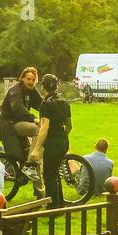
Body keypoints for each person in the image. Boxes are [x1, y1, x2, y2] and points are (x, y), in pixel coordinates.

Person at [28, 73, 72, 207]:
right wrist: (62, 135)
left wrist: (36, 149)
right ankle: (60, 203)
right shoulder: (64, 103)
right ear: (57, 86)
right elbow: (69, 125)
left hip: (52, 143)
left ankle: (52, 207)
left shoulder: (46, 104)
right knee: (55, 173)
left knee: (49, 176)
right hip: (63, 141)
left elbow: (44, 127)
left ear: (43, 87)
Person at [0, 66, 43, 163]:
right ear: (22, 78)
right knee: (38, 130)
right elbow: (18, 108)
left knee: (26, 151)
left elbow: (42, 105)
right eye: (28, 79)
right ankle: (31, 165)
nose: (31, 82)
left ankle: (33, 169)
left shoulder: (32, 90)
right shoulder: (16, 90)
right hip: (9, 124)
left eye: (33, 80)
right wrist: (34, 119)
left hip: (19, 122)